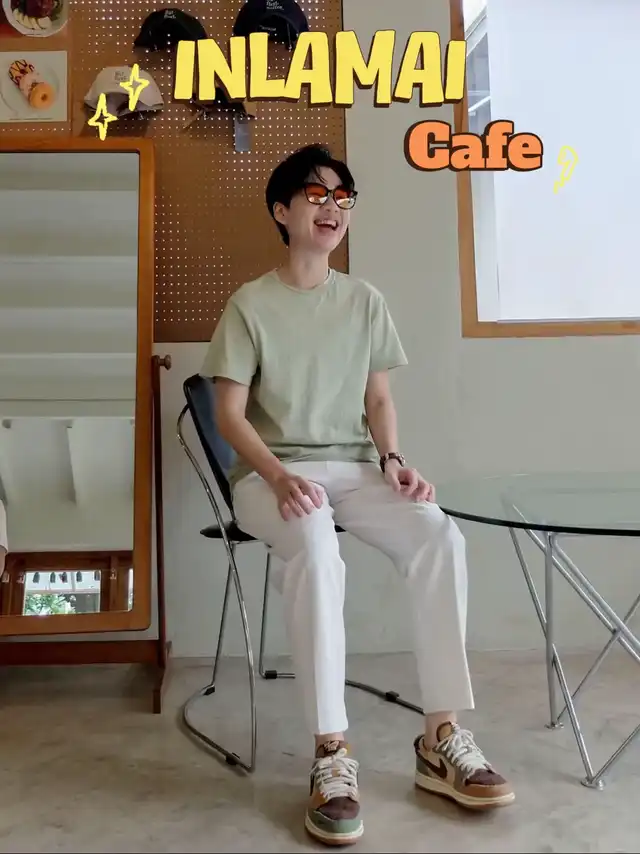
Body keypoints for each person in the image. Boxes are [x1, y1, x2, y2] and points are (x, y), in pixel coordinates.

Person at [201, 144, 515, 846]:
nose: (332, 208)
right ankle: (331, 753)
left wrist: (394, 461)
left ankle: (442, 736)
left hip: (352, 468)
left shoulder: (365, 301)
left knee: (437, 532)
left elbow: (378, 399)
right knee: (316, 544)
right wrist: (278, 475)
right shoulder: (249, 305)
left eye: (343, 197)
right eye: (316, 195)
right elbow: (228, 415)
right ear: (281, 211)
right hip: (269, 476)